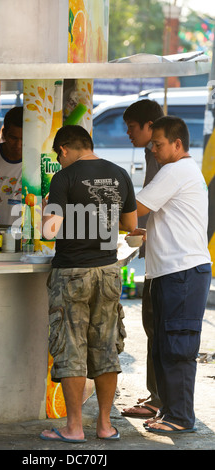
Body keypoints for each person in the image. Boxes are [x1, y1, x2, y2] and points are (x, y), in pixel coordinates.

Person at [40, 125, 137, 443]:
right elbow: (130, 225)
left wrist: (49, 208)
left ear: (64, 149)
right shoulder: (120, 173)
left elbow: (50, 230)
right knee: (106, 348)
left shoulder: (64, 178)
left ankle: (74, 427)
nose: (59, 161)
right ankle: (106, 426)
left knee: (71, 350)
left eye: (58, 155)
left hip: (72, 274)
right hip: (108, 270)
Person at [129, 116, 211, 433]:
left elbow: (135, 205)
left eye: (158, 143)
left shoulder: (175, 170)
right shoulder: (181, 170)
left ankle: (180, 417)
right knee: (165, 345)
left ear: (177, 144)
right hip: (171, 271)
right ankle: (169, 410)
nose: (153, 148)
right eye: (152, 143)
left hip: (183, 272)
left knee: (177, 348)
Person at [121, 99, 164, 419]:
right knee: (154, 327)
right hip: (156, 254)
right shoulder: (154, 155)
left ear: (150, 127)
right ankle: (157, 396)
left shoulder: (165, 159)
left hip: (168, 261)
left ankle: (159, 399)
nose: (128, 134)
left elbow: (142, 205)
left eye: (132, 128)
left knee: (159, 328)